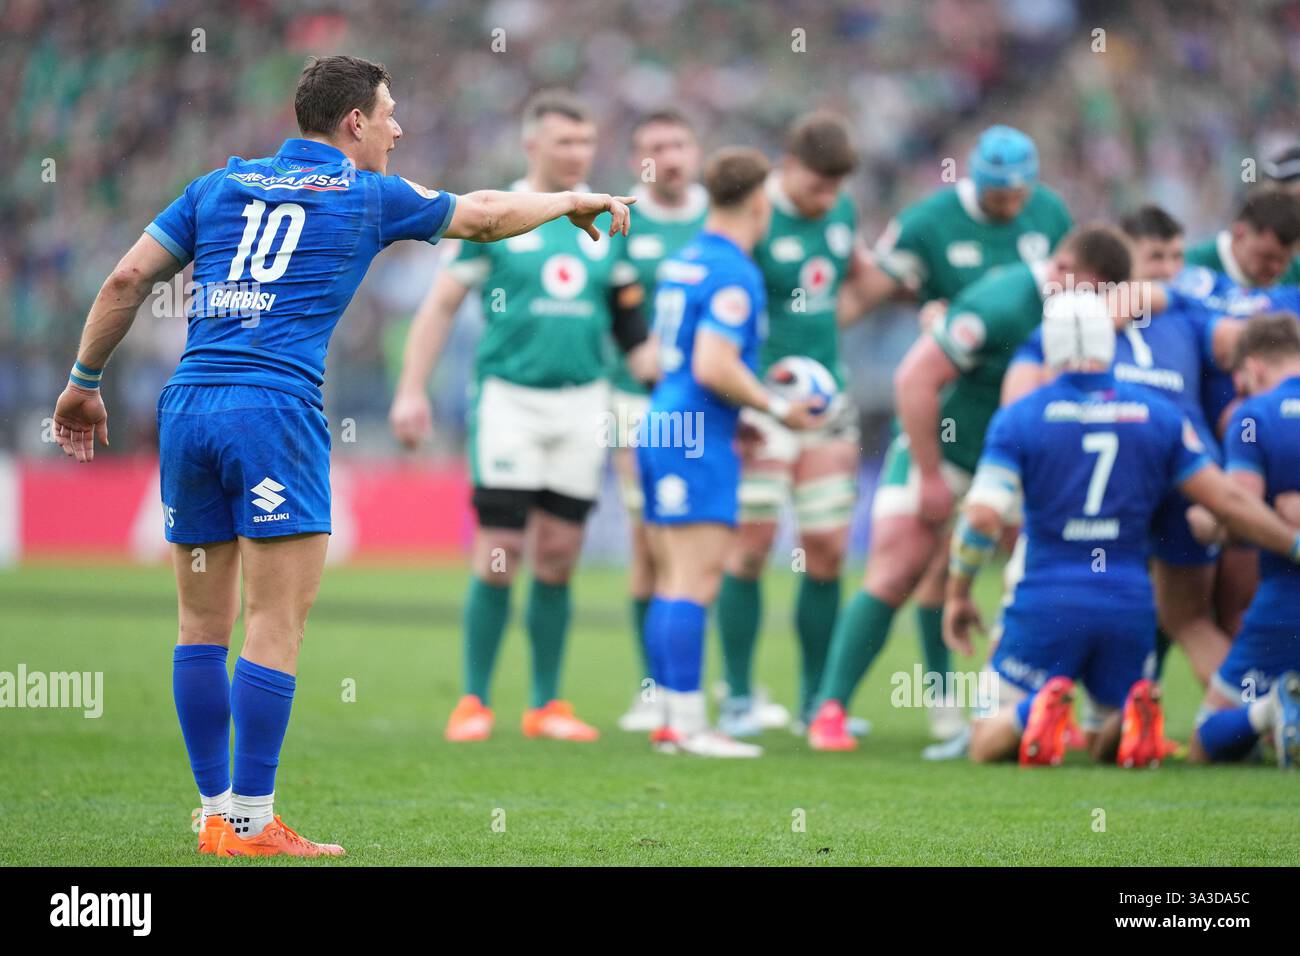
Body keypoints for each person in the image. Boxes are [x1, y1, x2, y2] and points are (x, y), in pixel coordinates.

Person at [52, 56, 635, 857]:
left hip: (189, 407)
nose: (398, 129)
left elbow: (125, 278)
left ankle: (215, 809)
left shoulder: (215, 187)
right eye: (389, 113)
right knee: (275, 619)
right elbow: (488, 214)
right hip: (274, 412)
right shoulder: (368, 195)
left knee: (199, 622)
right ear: (354, 122)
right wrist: (572, 199)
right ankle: (250, 822)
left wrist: (83, 382)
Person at [390, 89, 653, 744]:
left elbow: (630, 326)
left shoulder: (611, 220)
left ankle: (546, 704)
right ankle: (474, 700)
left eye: (586, 143)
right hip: (509, 400)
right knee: (501, 550)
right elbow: (441, 306)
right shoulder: (500, 216)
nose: (576, 154)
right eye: (564, 142)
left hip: (583, 402)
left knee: (560, 554)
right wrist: (411, 390)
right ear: (533, 144)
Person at [806, 226, 1133, 752]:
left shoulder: (1076, 307)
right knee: (896, 572)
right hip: (945, 451)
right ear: (1066, 267)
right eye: (1090, 292)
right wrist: (933, 475)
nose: (1092, 308)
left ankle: (993, 714)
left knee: (1031, 581)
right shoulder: (1002, 303)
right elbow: (913, 379)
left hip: (1016, 460)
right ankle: (830, 709)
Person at [944, 295, 1300, 767]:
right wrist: (1292, 541)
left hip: (1048, 599)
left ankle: (1034, 709)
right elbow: (1230, 501)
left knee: (984, 738)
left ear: (1049, 348)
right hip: (1129, 605)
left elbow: (984, 516)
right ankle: (1128, 717)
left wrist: (958, 593)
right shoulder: (1158, 415)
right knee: (1103, 739)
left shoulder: (1020, 417)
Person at [836, 125, 1073, 737]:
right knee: (902, 563)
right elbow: (871, 290)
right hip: (945, 413)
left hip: (1023, 422)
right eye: (1000, 196)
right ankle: (829, 706)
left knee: (1022, 568)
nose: (1012, 205)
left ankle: (997, 707)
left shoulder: (1051, 214)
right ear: (976, 182)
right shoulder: (928, 222)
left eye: (1020, 192)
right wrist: (921, 314)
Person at [638, 147, 823, 757]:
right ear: (759, 202)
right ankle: (690, 727)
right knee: (697, 578)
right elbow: (714, 362)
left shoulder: (684, 258)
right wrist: (776, 407)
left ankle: (673, 718)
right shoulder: (735, 271)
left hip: (666, 422)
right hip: (694, 433)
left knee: (673, 578)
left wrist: (734, 412)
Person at [717, 111, 862, 738]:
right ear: (788, 166)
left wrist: (820, 350)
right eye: (818, 184)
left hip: (828, 408)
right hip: (761, 407)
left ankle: (816, 701)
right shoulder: (755, 215)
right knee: (750, 546)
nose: (826, 198)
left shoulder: (843, 215)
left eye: (836, 187)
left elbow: (850, 288)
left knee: (826, 550)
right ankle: (741, 697)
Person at [612, 109, 709, 733]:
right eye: (655, 148)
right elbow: (611, 300)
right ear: (637, 160)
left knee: (716, 547)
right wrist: (633, 349)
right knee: (651, 542)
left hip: (711, 403)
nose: (669, 156)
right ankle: (654, 686)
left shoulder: (718, 215)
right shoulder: (624, 217)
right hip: (638, 403)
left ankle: (727, 686)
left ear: (694, 149)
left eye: (678, 143)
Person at [1191, 313, 1300, 767]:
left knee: (1204, 743)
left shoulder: (1254, 415)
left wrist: (1209, 519)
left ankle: (1267, 710)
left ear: (1254, 368)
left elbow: (1241, 515)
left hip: (1285, 600)